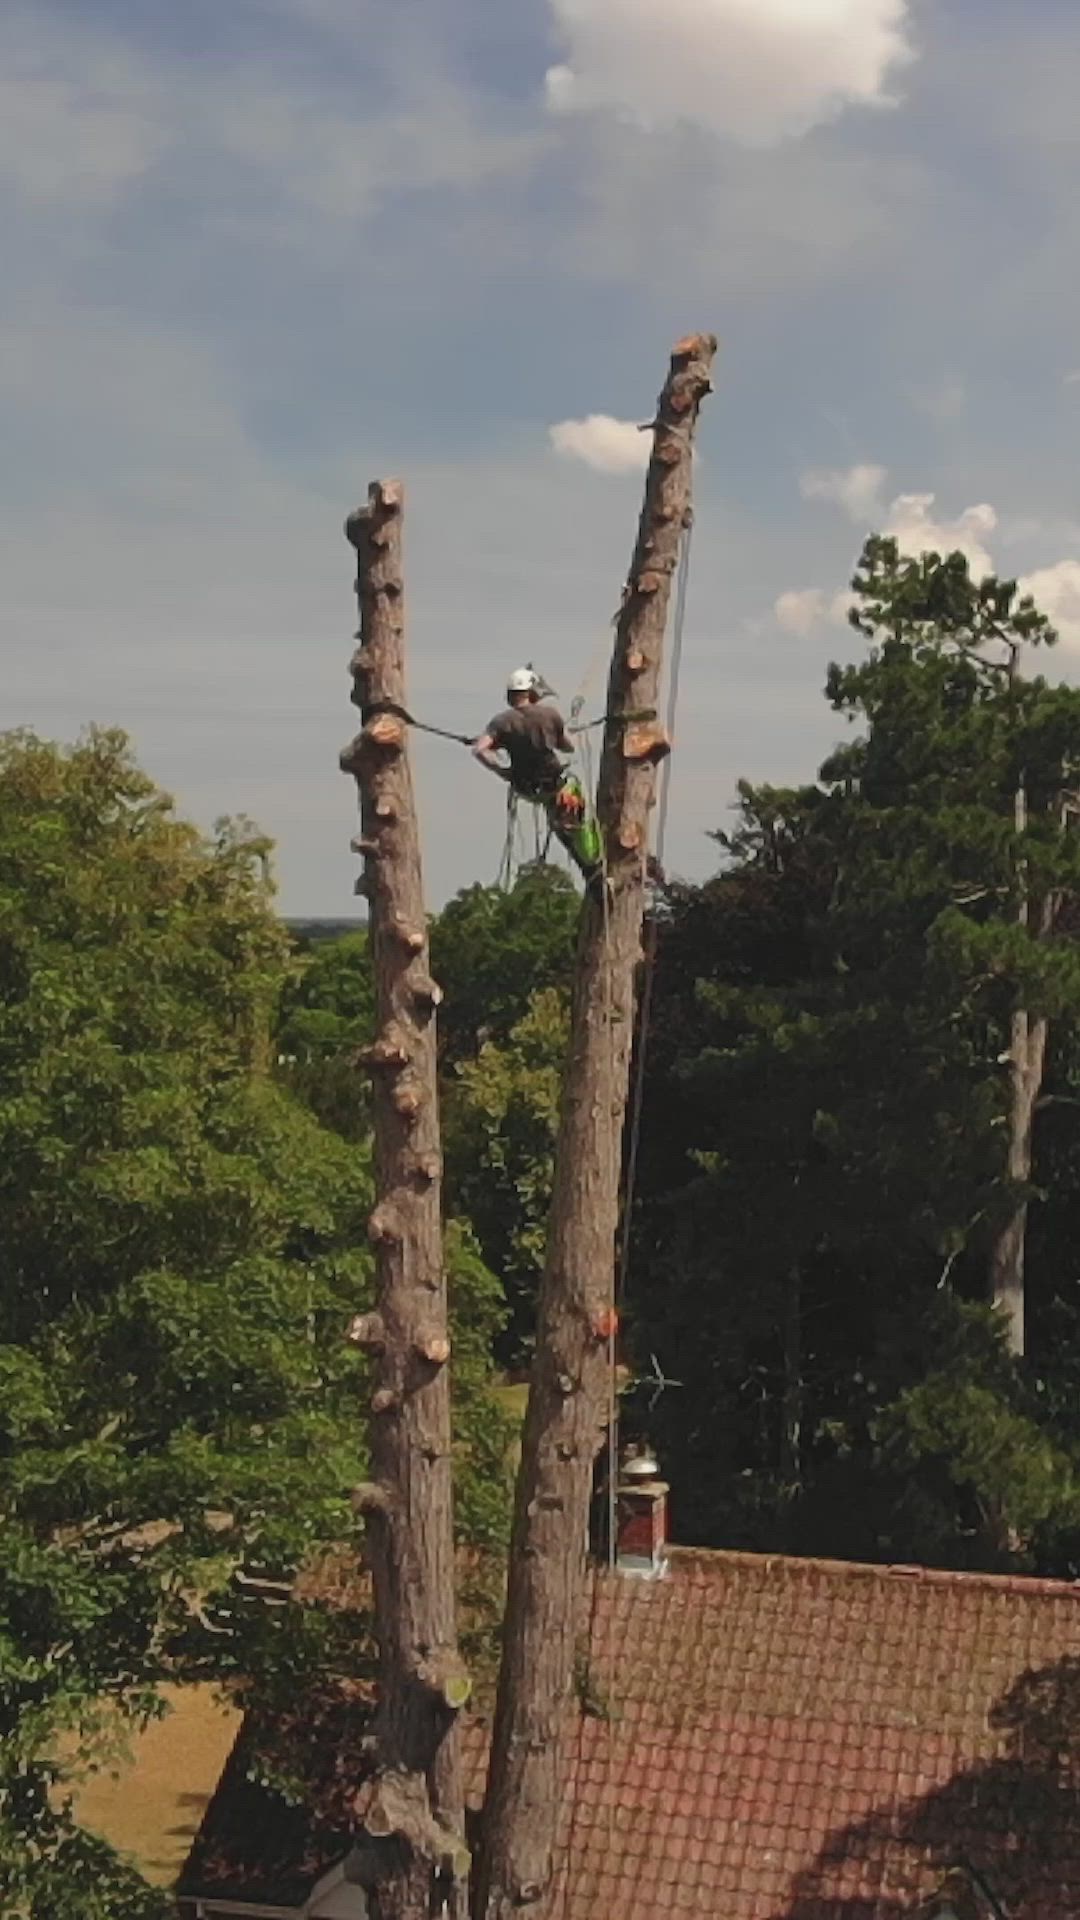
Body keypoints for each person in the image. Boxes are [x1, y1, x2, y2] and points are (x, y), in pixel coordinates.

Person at [472, 669, 605, 896]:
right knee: (580, 817)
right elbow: (567, 747)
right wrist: (562, 733)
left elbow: (479, 749)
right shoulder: (549, 715)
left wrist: (501, 770)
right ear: (532, 691)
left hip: (526, 789)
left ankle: (586, 864)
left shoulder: (502, 722)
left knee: (559, 821)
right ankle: (595, 867)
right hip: (555, 784)